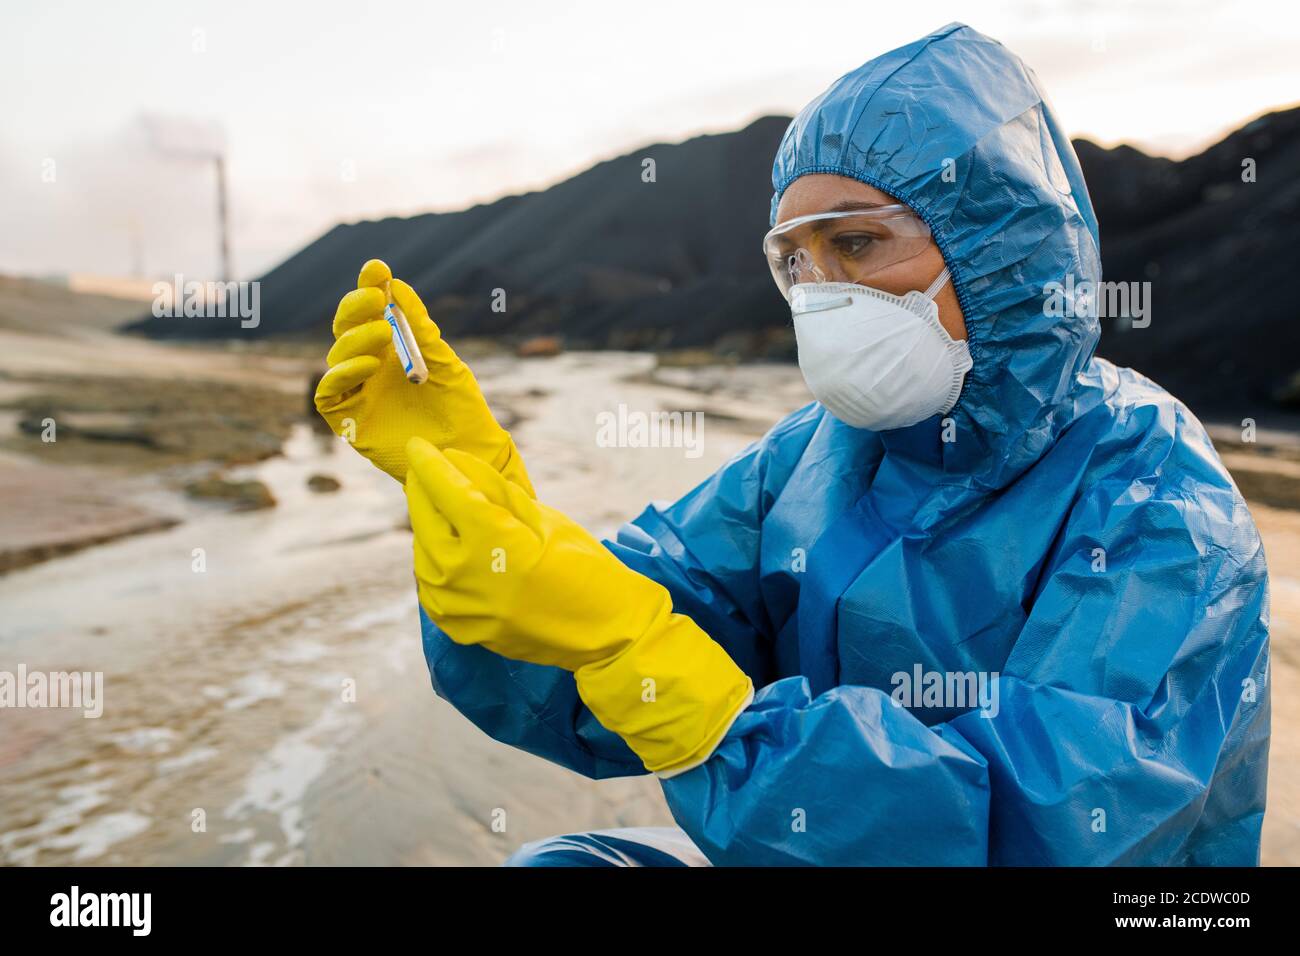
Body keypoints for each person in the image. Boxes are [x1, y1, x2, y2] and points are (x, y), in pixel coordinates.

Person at [314, 22, 1270, 866]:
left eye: (855, 246)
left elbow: (1038, 824)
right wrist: (486, 512)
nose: (822, 295)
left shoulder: (1156, 503)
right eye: (796, 262)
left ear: (1000, 251)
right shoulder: (812, 459)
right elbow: (612, 624)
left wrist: (713, 720)